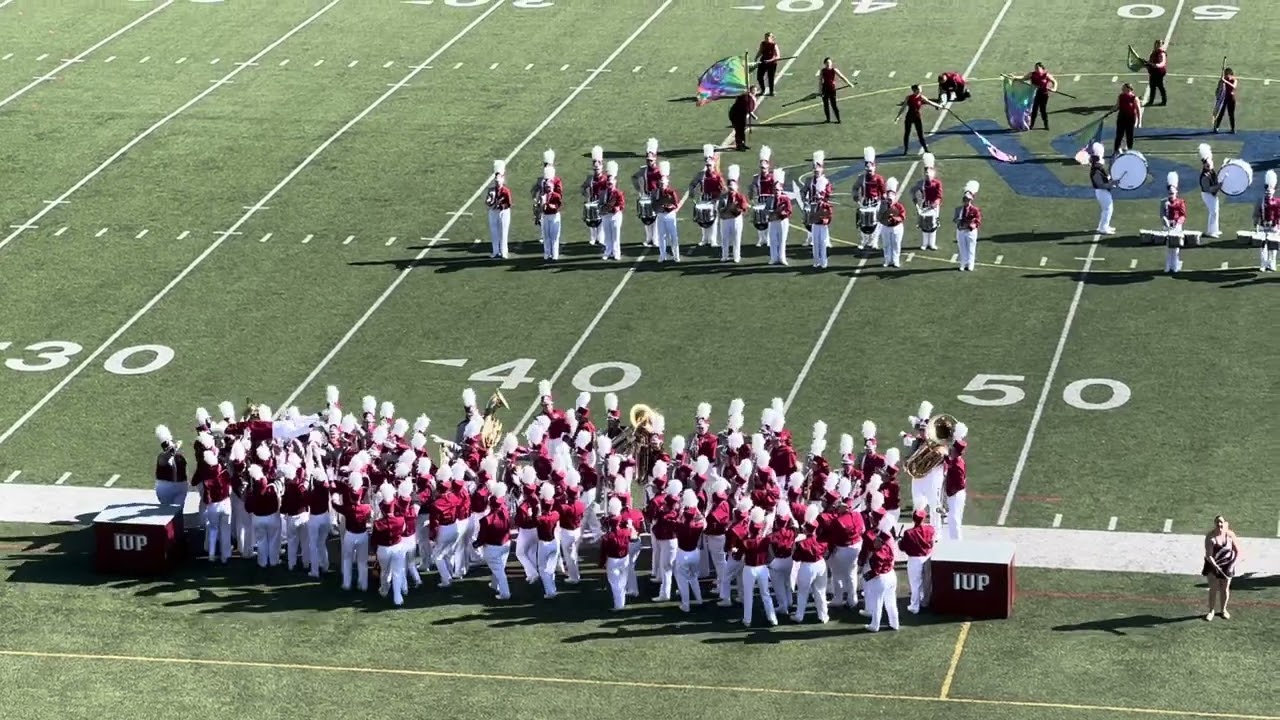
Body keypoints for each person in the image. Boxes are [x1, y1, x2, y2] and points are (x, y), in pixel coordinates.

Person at [1202, 515, 1241, 621]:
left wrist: (1232, 565)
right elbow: (1209, 555)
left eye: (1221, 522)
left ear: (1225, 523)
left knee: (1225, 589)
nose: (1219, 524)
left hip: (1228, 565)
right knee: (1213, 589)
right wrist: (1216, 567)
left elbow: (1238, 551)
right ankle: (1211, 611)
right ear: (1214, 523)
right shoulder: (1210, 536)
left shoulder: (1230, 535)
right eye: (1217, 522)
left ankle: (1223, 610)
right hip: (1213, 565)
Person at [899, 508, 935, 614]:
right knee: (926, 581)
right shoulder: (930, 529)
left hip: (914, 559)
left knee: (915, 583)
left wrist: (900, 542)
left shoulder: (908, 533)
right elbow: (932, 543)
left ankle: (915, 606)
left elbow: (903, 548)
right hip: (927, 557)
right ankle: (924, 601)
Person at [718, 164, 749, 262]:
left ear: (736, 186)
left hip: (736, 219)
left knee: (736, 238)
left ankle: (736, 256)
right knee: (724, 238)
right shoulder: (723, 196)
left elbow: (743, 208)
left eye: (733, 186)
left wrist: (734, 209)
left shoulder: (740, 196)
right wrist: (728, 208)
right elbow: (720, 208)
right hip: (725, 220)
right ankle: (725, 255)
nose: (731, 188)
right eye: (730, 186)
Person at [895, 85, 938, 155]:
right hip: (909, 117)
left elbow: (930, 102)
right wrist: (898, 116)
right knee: (907, 134)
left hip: (917, 117)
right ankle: (906, 150)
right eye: (919, 89)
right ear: (915, 90)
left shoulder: (921, 97)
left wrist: (938, 105)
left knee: (920, 135)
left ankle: (926, 149)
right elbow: (903, 108)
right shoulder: (909, 98)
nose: (921, 90)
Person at [154, 425, 189, 506]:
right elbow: (169, 453)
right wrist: (175, 446)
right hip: (166, 487)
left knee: (178, 508)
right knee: (167, 511)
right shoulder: (162, 457)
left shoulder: (179, 456)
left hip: (181, 485)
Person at [654, 161, 682, 262]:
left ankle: (676, 255)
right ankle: (662, 255)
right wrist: (658, 209)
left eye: (663, 183)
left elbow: (676, 204)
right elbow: (654, 203)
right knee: (661, 236)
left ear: (667, 183)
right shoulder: (657, 192)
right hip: (661, 215)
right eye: (660, 183)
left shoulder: (671, 192)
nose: (662, 185)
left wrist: (669, 207)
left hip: (670, 215)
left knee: (673, 236)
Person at [1252, 170, 1280, 272]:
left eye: (1270, 190)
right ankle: (1263, 263)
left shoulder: (1277, 202)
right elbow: (1256, 213)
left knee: (1273, 245)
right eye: (1267, 190)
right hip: (1263, 225)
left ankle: (1272, 263)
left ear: (1274, 190)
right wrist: (1255, 223)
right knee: (1262, 245)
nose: (1268, 192)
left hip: (1274, 226)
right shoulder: (1261, 201)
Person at [485, 160, 512, 259]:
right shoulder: (491, 190)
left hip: (503, 212)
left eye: (498, 181)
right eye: (496, 181)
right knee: (494, 232)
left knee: (504, 232)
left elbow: (509, 203)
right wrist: (490, 202)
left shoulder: (506, 191)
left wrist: (500, 205)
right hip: (493, 212)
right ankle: (495, 251)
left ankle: (504, 251)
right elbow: (487, 201)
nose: (497, 183)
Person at [1161, 171, 1187, 274]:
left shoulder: (1180, 202)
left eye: (1173, 193)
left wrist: (1179, 223)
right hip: (1167, 226)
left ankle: (1175, 266)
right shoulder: (1164, 202)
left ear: (1176, 192)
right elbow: (1162, 214)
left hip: (1177, 226)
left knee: (1176, 247)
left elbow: (1183, 215)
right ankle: (1168, 266)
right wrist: (1165, 220)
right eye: (1169, 193)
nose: (1171, 195)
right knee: (1168, 248)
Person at [599, 161, 626, 261]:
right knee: (607, 235)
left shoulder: (618, 193)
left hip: (615, 216)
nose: (609, 185)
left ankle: (616, 253)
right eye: (608, 183)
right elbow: (601, 202)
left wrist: (616, 208)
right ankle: (608, 251)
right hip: (606, 215)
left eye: (611, 183)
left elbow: (622, 204)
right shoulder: (603, 192)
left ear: (614, 183)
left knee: (615, 235)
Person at [767, 167, 792, 265]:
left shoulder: (785, 199)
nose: (776, 192)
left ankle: (782, 257)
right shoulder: (770, 199)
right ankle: (773, 257)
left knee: (782, 240)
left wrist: (781, 214)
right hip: (773, 221)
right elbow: (766, 210)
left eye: (778, 190)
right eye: (775, 190)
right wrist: (772, 213)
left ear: (781, 190)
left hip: (782, 221)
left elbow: (789, 210)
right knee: (773, 239)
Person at [1089, 143, 1116, 235]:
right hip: (1102, 192)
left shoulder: (1097, 169)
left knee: (1107, 209)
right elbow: (1100, 184)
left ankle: (1103, 226)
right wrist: (1110, 184)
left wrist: (1110, 181)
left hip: (1103, 192)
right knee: (1108, 209)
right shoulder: (1095, 171)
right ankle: (1103, 227)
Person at [955, 181, 982, 271]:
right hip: (961, 231)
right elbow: (954, 219)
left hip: (970, 231)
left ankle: (970, 264)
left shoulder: (975, 210)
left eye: (968, 199)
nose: (967, 201)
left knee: (971, 248)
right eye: (965, 199)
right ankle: (963, 263)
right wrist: (958, 221)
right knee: (962, 248)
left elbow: (978, 220)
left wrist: (973, 225)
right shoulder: (958, 209)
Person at [1022, 62, 1057, 130]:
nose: (1036, 69)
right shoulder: (1032, 74)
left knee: (1042, 110)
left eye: (1037, 68)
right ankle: (1031, 125)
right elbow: (1023, 78)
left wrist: (1054, 88)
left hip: (1044, 94)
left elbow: (1054, 81)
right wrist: (1014, 77)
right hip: (1034, 94)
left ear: (1042, 68)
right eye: (1035, 68)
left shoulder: (1046, 75)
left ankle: (1046, 124)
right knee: (1034, 110)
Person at [1197, 143, 1222, 239]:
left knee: (1216, 211)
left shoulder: (1211, 170)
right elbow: (1209, 189)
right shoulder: (1204, 177)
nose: (1210, 166)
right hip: (1207, 194)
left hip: (1212, 193)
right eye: (1208, 165)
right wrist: (1219, 186)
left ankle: (1215, 229)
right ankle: (1210, 231)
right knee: (1213, 212)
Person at [818, 57, 853, 123]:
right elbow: (820, 81)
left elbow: (842, 77)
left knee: (834, 105)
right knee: (826, 105)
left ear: (831, 63)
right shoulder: (823, 71)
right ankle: (828, 119)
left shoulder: (834, 70)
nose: (828, 64)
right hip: (824, 90)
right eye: (827, 63)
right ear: (824, 64)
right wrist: (820, 91)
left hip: (832, 90)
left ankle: (838, 119)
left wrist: (849, 83)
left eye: (829, 62)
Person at [1113, 83, 1142, 157]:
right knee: (1119, 134)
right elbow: (1117, 106)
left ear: (1128, 89)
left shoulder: (1134, 98)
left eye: (1124, 88)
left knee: (1129, 135)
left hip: (1130, 118)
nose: (1122, 89)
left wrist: (1139, 122)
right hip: (1121, 117)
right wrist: (1111, 111)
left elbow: (1138, 110)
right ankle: (1116, 150)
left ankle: (1129, 149)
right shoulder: (1121, 96)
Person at [729, 86, 760, 151]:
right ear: (750, 90)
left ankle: (742, 144)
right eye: (753, 90)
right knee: (739, 130)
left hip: (741, 115)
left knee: (742, 129)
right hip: (736, 115)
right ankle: (739, 146)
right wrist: (753, 116)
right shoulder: (746, 97)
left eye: (756, 90)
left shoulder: (750, 97)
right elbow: (747, 109)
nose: (755, 92)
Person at [1213, 67, 1237, 133]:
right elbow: (1218, 89)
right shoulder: (1223, 80)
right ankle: (1216, 127)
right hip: (1224, 99)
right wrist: (1221, 82)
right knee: (1221, 113)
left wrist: (1225, 81)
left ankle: (1233, 128)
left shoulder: (1234, 80)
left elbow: (1234, 86)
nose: (1227, 76)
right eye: (1226, 75)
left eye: (1228, 75)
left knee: (1231, 114)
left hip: (1231, 99)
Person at [1145, 39, 1168, 106]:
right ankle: (1151, 101)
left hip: (1159, 72)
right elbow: (1150, 61)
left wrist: (1156, 65)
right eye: (1156, 44)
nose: (1156, 46)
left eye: (1158, 45)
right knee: (1152, 86)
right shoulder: (1153, 52)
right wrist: (1147, 64)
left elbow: (1163, 62)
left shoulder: (1161, 53)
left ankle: (1164, 101)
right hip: (1153, 72)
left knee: (1160, 86)